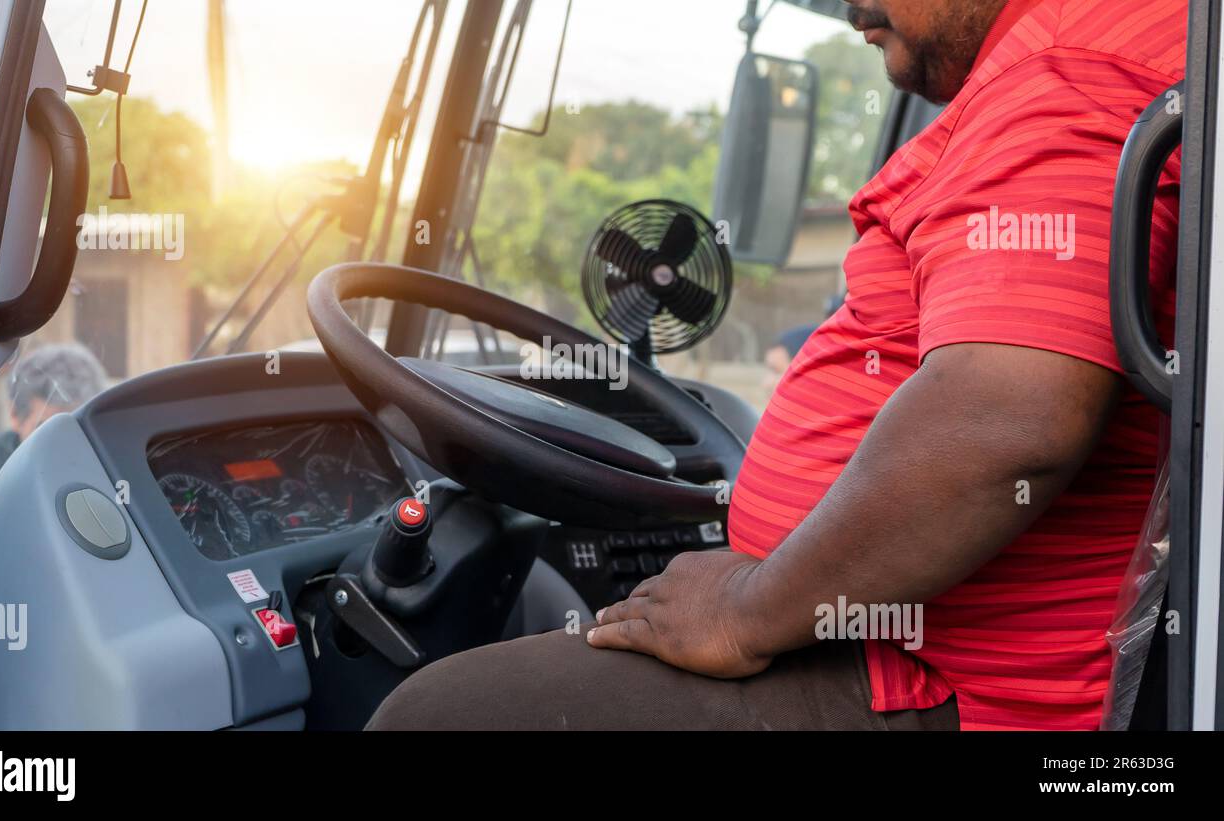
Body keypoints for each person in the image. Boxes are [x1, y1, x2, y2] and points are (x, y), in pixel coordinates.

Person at [367, 0, 1184, 730]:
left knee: (439, 714)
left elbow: (1009, 423)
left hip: (954, 686)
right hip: (925, 653)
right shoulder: (1077, 60)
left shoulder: (1066, 71)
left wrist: (747, 610)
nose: (853, 9)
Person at [0, 343, 108, 494]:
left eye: (78, 430)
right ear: (15, 415)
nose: (64, 447)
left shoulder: (110, 463)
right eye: (46, 430)